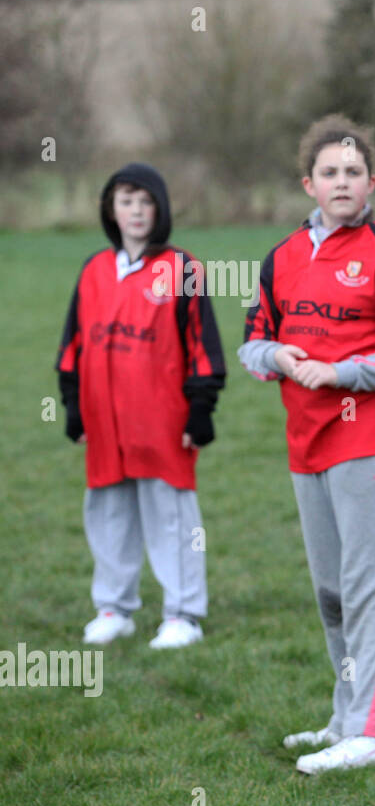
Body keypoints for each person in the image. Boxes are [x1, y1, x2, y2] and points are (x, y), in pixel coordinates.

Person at [239, 115, 375, 775]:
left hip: (372, 439)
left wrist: (345, 371)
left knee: (371, 585)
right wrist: (276, 354)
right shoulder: (281, 257)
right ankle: (347, 713)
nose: (342, 181)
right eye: (330, 171)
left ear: (372, 181)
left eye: (354, 171)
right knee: (331, 591)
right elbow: (251, 340)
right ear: (310, 183)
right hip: (307, 440)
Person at [57, 162, 226, 650]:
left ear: (161, 209)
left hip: (162, 421)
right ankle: (114, 608)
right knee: (108, 514)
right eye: (126, 200)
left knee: (171, 516)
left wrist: (201, 408)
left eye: (145, 201)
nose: (136, 210)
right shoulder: (93, 270)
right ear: (111, 209)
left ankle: (183, 613)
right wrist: (72, 405)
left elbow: (202, 347)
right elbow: (72, 345)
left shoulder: (183, 269)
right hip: (104, 421)